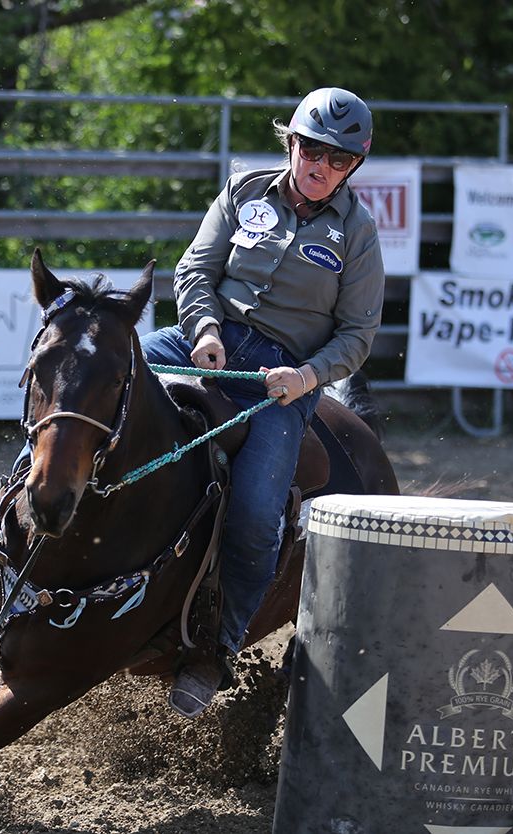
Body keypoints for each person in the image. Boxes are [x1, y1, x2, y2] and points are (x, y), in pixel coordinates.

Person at [140, 87, 386, 718]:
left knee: (256, 512)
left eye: (337, 159)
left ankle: (216, 650)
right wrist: (205, 331)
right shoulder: (244, 190)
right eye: (312, 149)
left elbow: (358, 335)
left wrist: (307, 379)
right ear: (293, 143)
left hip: (282, 383)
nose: (320, 166)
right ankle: (15, 504)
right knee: (94, 377)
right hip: (204, 340)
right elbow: (195, 267)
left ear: (352, 166)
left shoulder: (358, 233)